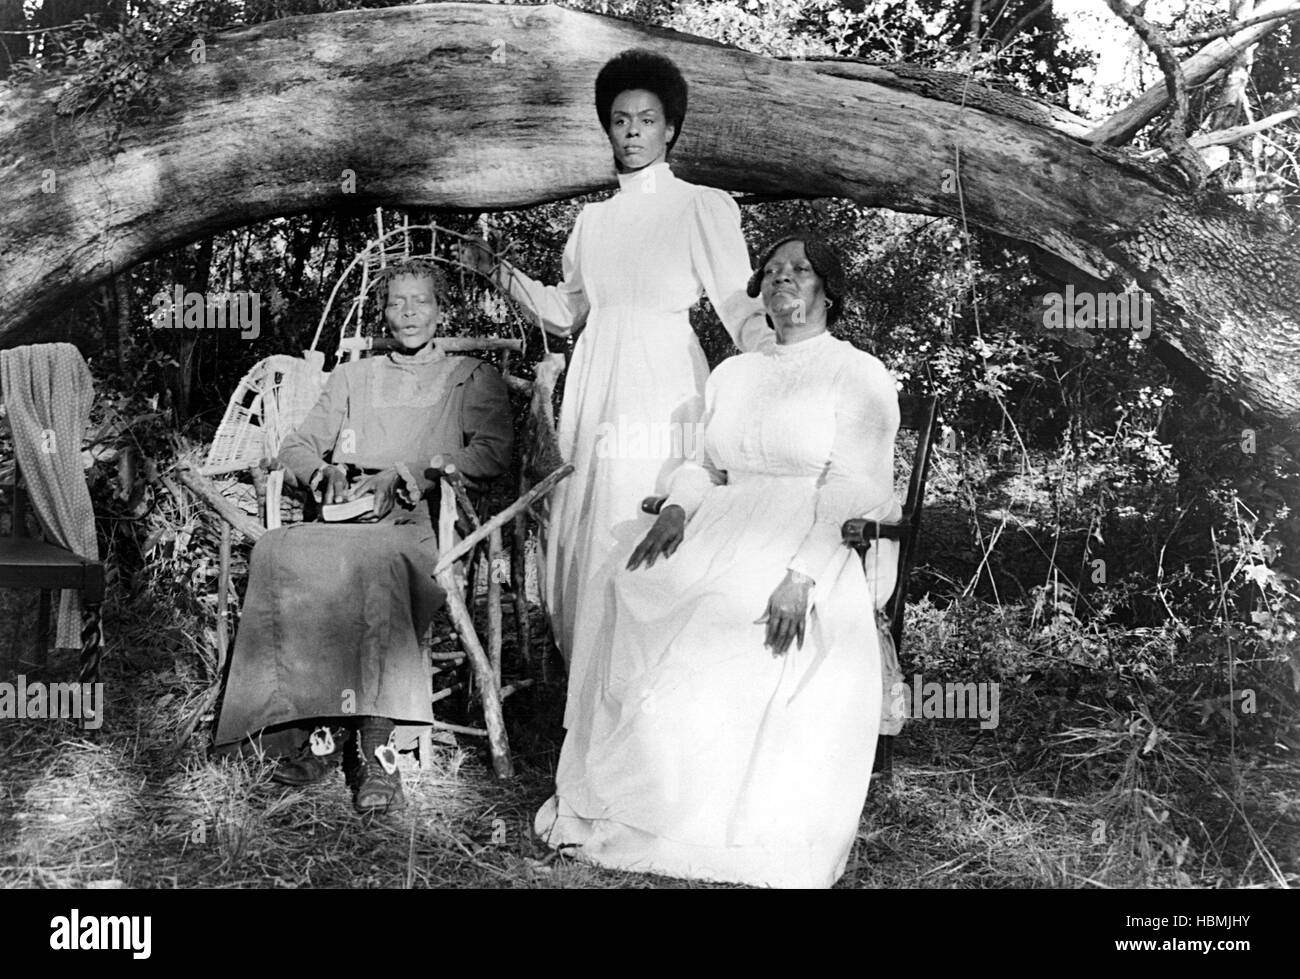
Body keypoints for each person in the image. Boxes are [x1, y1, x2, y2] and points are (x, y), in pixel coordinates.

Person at [533, 232, 902, 888]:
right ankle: (637, 790)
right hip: (725, 519)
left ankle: (710, 819)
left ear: (830, 289)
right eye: (773, 271)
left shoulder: (856, 373)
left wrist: (802, 574)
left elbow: (856, 488)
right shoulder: (735, 373)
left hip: (807, 531)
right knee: (627, 576)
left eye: (800, 271)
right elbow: (706, 465)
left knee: (718, 608)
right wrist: (677, 506)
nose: (782, 280)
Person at [459, 49, 773, 729]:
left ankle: (654, 712)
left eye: (647, 119)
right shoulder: (591, 223)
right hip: (596, 384)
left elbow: (738, 307)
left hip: (663, 386)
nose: (632, 131)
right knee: (586, 533)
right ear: (608, 129)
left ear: (670, 131)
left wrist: (782, 368)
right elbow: (567, 312)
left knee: (649, 523)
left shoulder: (701, 207)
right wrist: (499, 273)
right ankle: (591, 713)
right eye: (620, 120)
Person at [213, 258, 513, 815]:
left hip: (418, 520)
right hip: (343, 518)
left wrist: (414, 472)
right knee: (278, 550)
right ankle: (301, 729)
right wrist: (321, 472)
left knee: (375, 566)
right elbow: (297, 445)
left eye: (420, 302)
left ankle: (377, 751)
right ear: (384, 311)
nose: (408, 314)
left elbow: (493, 453)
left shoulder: (471, 376)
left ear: (440, 310)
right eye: (397, 303)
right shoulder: (353, 376)